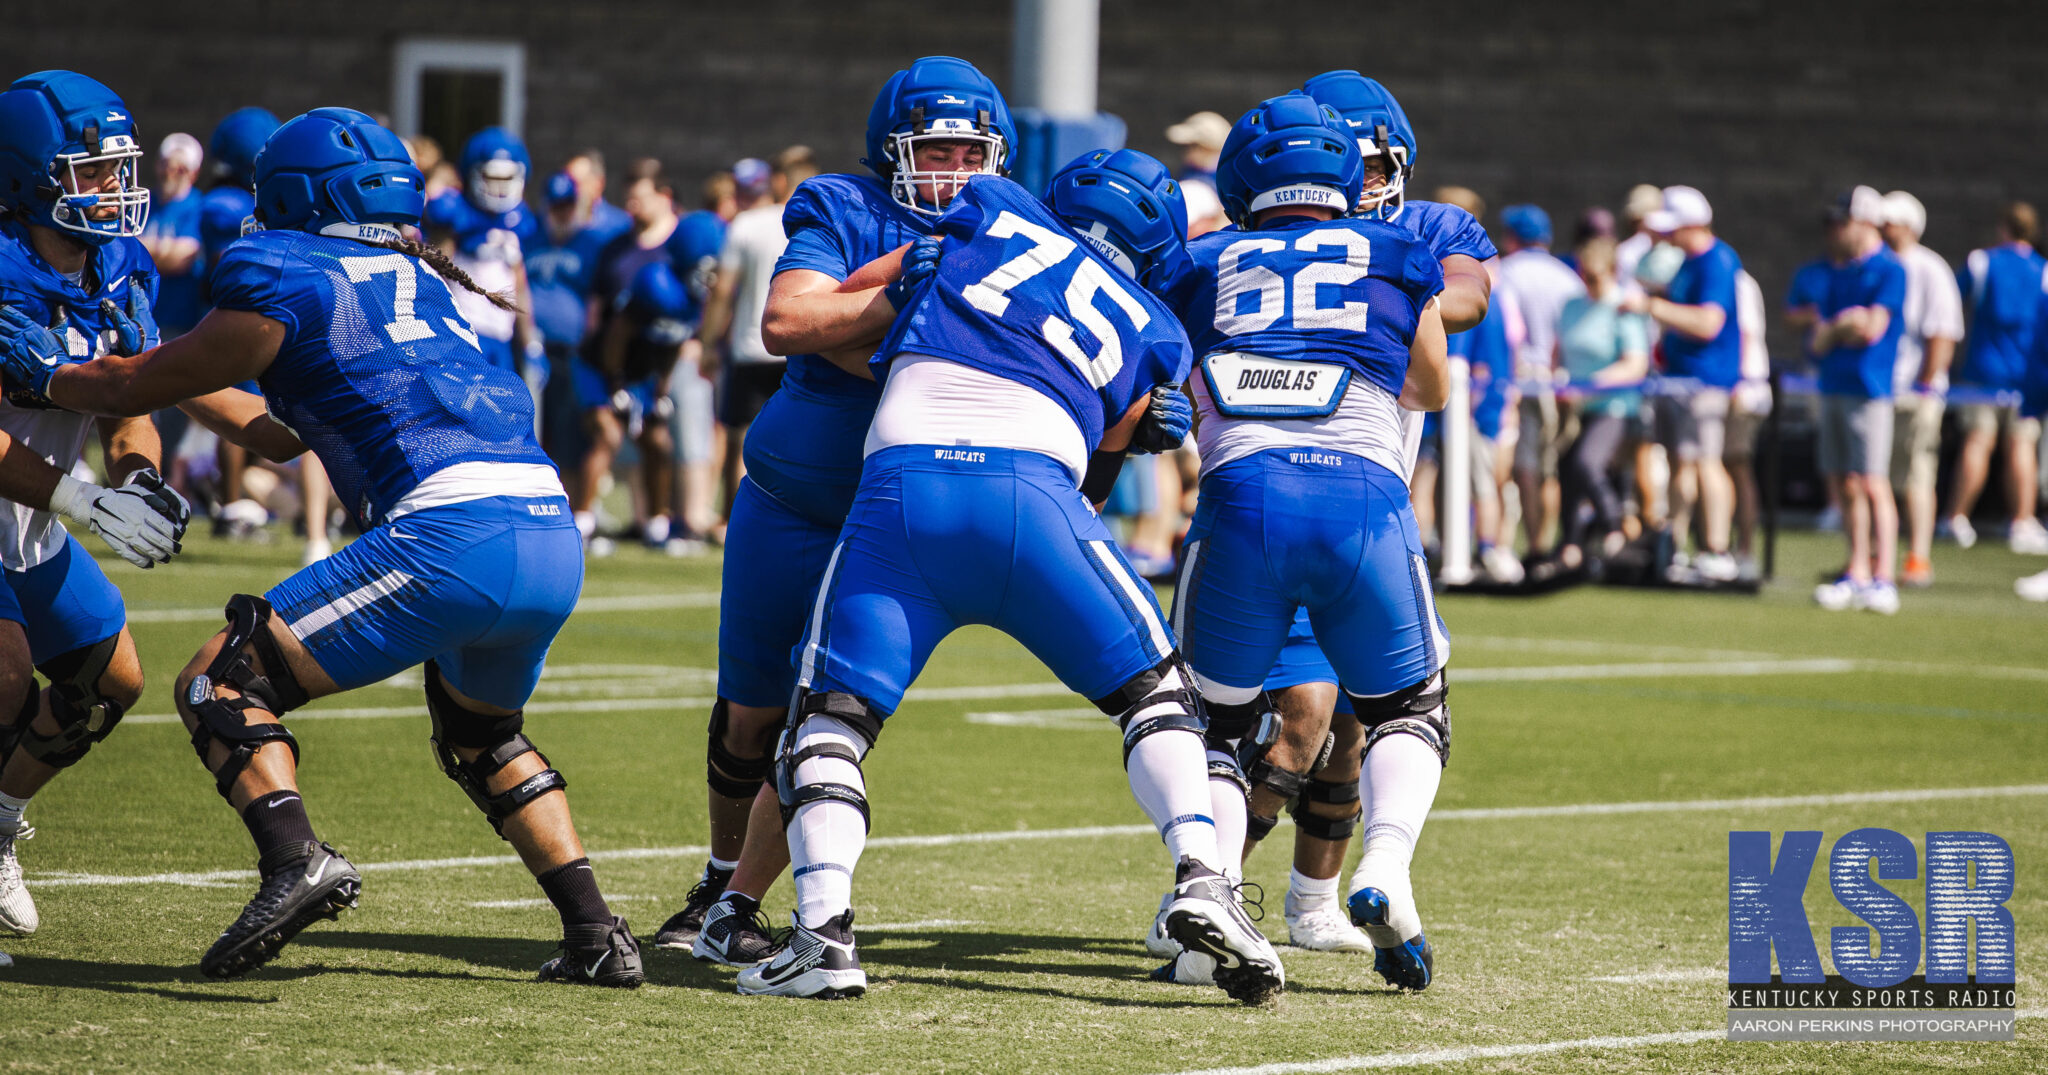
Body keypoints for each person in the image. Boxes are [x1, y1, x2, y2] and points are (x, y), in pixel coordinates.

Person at [0, 107, 643, 985]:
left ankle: (292, 858)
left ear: (294, 199)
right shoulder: (421, 279)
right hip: (546, 524)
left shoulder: (284, 272)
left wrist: (43, 374)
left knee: (219, 681)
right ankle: (598, 934)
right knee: (482, 734)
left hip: (452, 531)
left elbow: (146, 381)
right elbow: (275, 434)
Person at [735, 150, 1284, 1005]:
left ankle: (822, 933)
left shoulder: (988, 206)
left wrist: (914, 282)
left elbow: (850, 308)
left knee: (829, 721)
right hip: (1034, 495)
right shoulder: (1155, 324)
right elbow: (1094, 478)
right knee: (1159, 696)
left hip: (904, 486)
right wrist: (1140, 422)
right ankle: (1203, 875)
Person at [662, 57, 1017, 968]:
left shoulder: (1018, 223)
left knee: (821, 716)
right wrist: (901, 282)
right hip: (789, 491)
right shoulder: (842, 205)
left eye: (969, 150)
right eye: (933, 148)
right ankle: (717, 877)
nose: (951, 170)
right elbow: (786, 321)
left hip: (890, 512)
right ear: (891, 148)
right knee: (747, 711)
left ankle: (750, 905)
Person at [1163, 72, 1489, 971]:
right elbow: (1431, 379)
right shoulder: (1403, 253)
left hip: (1241, 501)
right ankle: (1384, 863)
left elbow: (1158, 366)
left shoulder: (1203, 257)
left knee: (1208, 726)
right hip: (1367, 503)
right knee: (1407, 710)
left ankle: (1211, 896)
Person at [0, 69, 193, 940]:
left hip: (33, 521)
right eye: (93, 172)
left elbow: (131, 398)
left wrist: (139, 477)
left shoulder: (117, 263)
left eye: (121, 169)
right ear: (28, 175)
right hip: (31, 499)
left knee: (107, 684)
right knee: (5, 679)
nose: (116, 189)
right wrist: (81, 496)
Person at [1622, 186, 1743, 581]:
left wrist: (1652, 306)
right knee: (1680, 464)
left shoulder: (1717, 261)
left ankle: (1717, 548)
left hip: (1705, 381)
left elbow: (1709, 323)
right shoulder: (1689, 261)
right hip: (1679, 378)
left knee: (1706, 463)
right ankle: (1675, 548)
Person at [574, 160, 688, 554]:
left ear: (664, 196)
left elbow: (677, 334)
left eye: (639, 197)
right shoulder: (618, 250)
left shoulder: (680, 255)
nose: (632, 206)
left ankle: (657, 526)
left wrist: (661, 389)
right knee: (608, 434)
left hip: (646, 365)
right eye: (629, 198)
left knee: (657, 440)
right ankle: (582, 525)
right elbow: (608, 327)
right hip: (602, 361)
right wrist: (616, 383)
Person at [697, 150, 814, 531]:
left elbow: (723, 291)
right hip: (800, 347)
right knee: (801, 437)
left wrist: (709, 342)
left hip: (751, 346)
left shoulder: (746, 224)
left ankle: (734, 521)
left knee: (741, 440)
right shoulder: (817, 223)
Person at [1807, 187, 1908, 614]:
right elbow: (1818, 338)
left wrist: (1844, 327)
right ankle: (1856, 570)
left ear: (1865, 223)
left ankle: (1883, 577)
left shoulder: (1890, 269)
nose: (1836, 232)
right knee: (1846, 483)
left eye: (1843, 222)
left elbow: (1872, 329)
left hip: (1870, 390)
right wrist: (1842, 327)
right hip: (1834, 384)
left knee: (1872, 482)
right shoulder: (1837, 272)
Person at [1946, 201, 2047, 554]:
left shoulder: (1982, 262)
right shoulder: (2043, 270)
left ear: (2003, 228)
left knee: (1978, 443)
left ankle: (1957, 518)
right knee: (2021, 447)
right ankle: (2021, 520)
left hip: (1984, 372)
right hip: (2025, 377)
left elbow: (1949, 301)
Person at [1880, 190, 1965, 585]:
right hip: (1879, 390)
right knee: (1875, 478)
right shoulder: (1878, 265)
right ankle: (1875, 560)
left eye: (1891, 221)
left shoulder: (1930, 268)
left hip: (1915, 393)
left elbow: (1942, 334)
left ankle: (1918, 557)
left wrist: (1924, 385)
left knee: (1916, 476)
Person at [1553, 237, 1651, 565]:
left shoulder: (1623, 306)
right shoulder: (1570, 306)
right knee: (1565, 469)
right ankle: (1570, 543)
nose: (1589, 282)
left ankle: (1614, 526)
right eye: (1585, 274)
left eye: (1595, 275)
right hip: (1573, 406)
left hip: (1614, 406)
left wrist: (1592, 385)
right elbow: (1559, 352)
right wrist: (1560, 382)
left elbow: (1636, 364)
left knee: (1587, 463)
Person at [1498, 202, 1585, 556]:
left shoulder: (1506, 272)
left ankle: (1534, 546)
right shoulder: (1568, 276)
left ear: (1513, 237)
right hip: (1561, 380)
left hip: (1522, 379)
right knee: (1551, 468)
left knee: (1527, 467)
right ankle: (1546, 543)